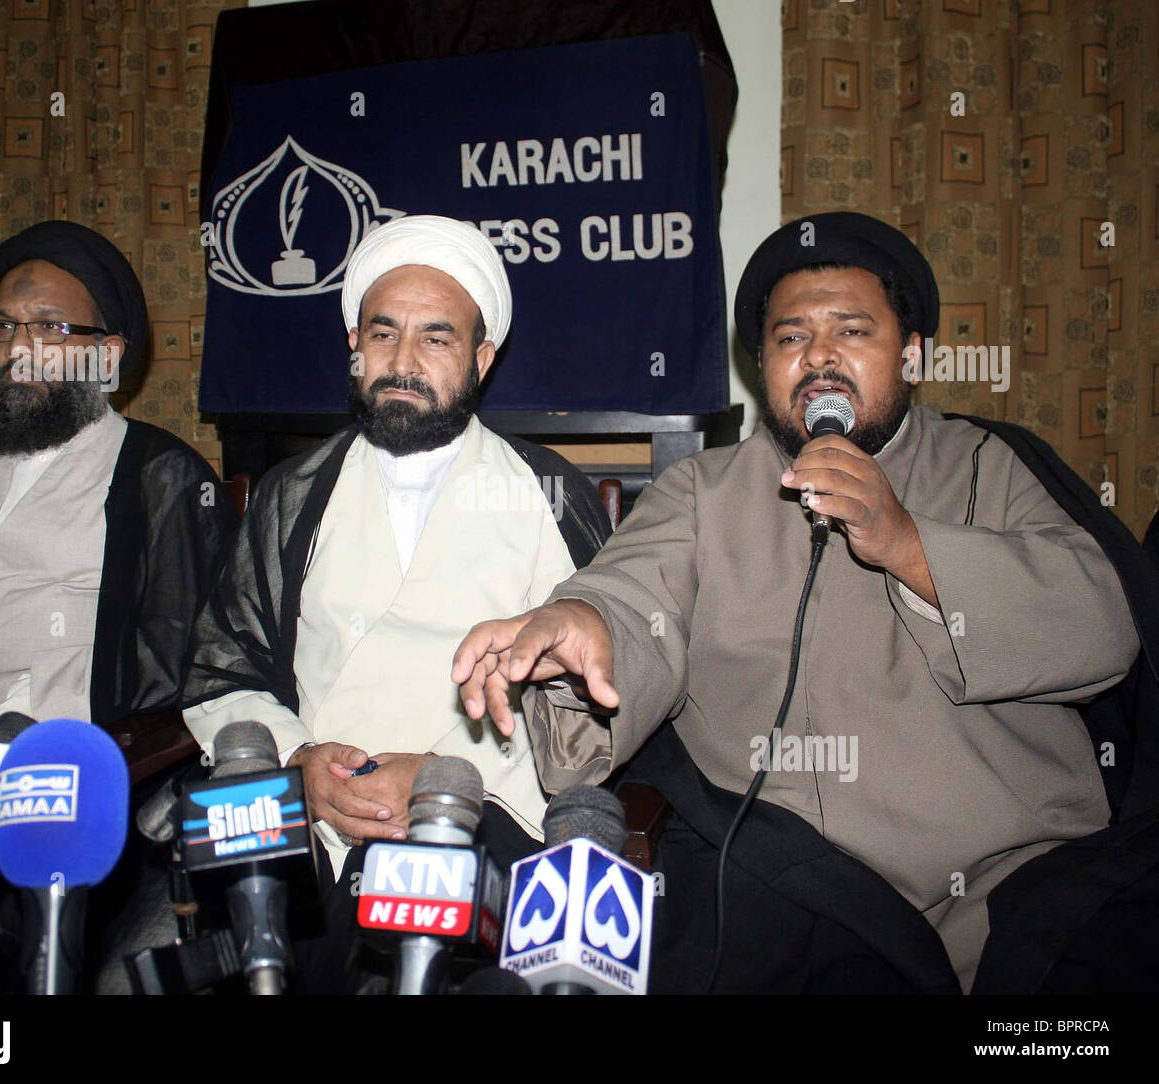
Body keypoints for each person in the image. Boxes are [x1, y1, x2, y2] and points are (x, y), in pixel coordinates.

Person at [453, 212, 1145, 994]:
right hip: (791, 890)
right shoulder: (703, 492)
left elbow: (1105, 627)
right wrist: (581, 625)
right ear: (762, 367)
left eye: (851, 330)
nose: (818, 356)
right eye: (790, 338)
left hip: (1015, 888)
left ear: (912, 355)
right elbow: (630, 595)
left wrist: (909, 543)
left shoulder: (994, 463)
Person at [182, 216, 610, 988]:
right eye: (384, 335)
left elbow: (601, 698)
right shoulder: (292, 496)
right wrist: (297, 763)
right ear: (355, 345)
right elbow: (226, 665)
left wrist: (450, 778)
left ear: (482, 359)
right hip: (313, 821)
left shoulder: (546, 494)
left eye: (437, 339)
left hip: (488, 814)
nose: (403, 362)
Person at [0, 220, 234, 785]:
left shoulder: (159, 477)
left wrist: (8, 721)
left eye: (50, 328)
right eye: (3, 326)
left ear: (106, 355)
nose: (17, 350)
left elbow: (177, 647)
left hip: (44, 760)